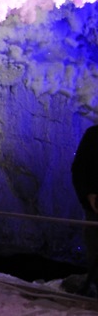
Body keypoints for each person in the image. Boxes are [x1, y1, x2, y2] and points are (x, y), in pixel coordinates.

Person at [71, 125, 98, 295]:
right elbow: (79, 169)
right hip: (95, 209)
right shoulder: (93, 135)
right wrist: (89, 195)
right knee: (95, 250)